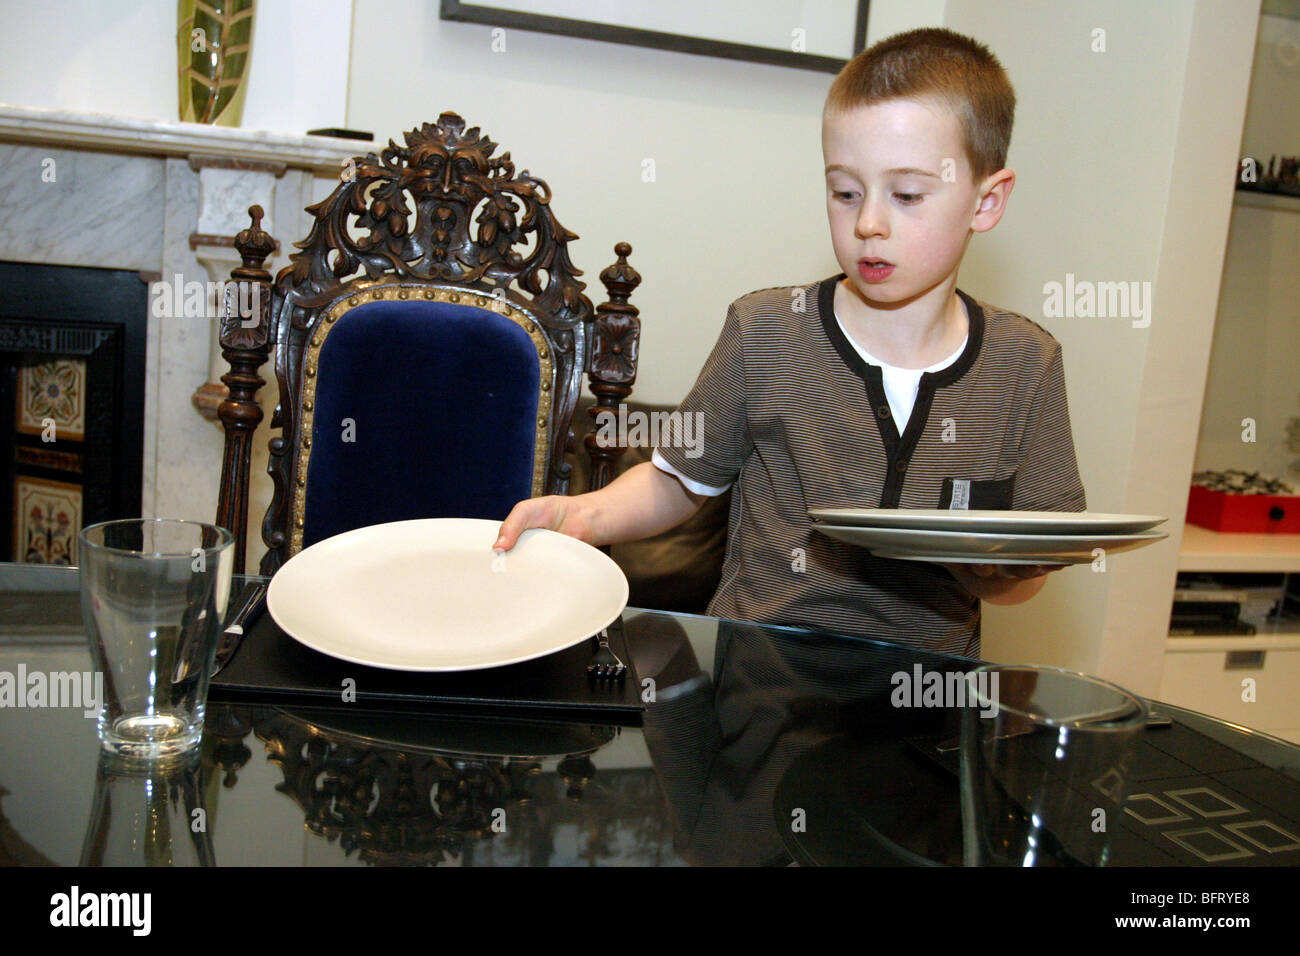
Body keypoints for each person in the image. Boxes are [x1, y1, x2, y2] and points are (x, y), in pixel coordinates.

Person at [495, 27, 1086, 657]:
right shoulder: (767, 329)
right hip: (759, 686)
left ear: (986, 202)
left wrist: (991, 569)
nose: (868, 223)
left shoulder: (1027, 363)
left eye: (907, 195)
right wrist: (581, 515)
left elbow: (1027, 575)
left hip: (927, 694)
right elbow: (677, 482)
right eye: (845, 193)